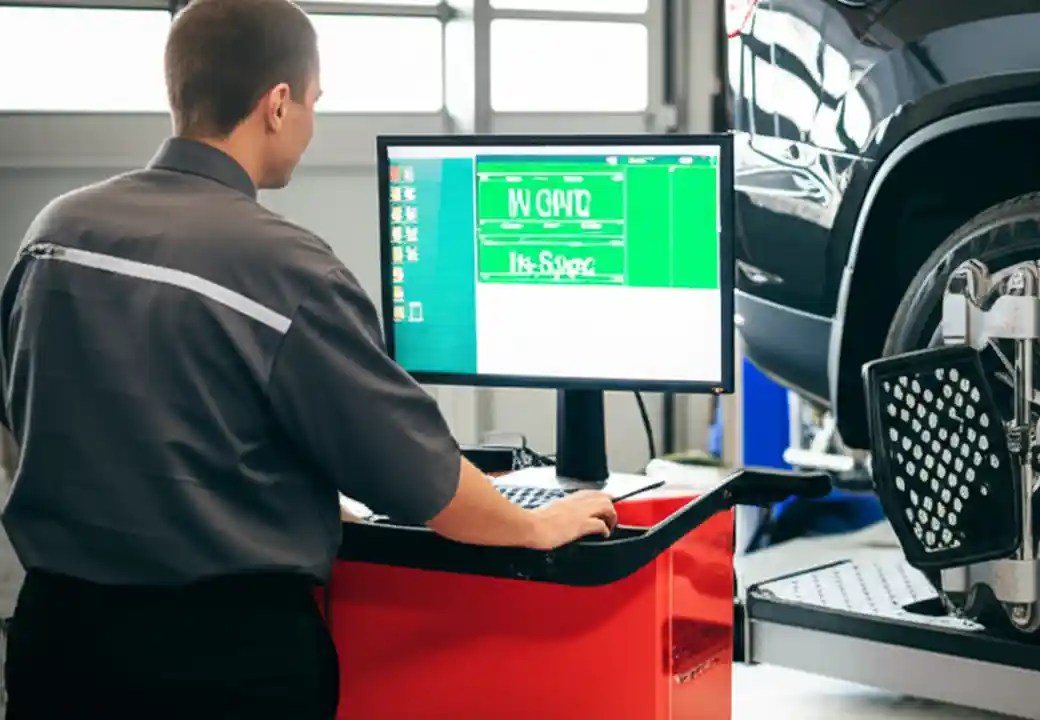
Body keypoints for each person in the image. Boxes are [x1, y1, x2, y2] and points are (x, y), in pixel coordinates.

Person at [0, 0, 618, 716]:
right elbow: (421, 478)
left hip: (56, 644)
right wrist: (539, 522)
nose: (314, 126)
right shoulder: (284, 267)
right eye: (316, 103)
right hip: (222, 666)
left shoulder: (54, 231)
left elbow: (27, 420)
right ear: (278, 103)